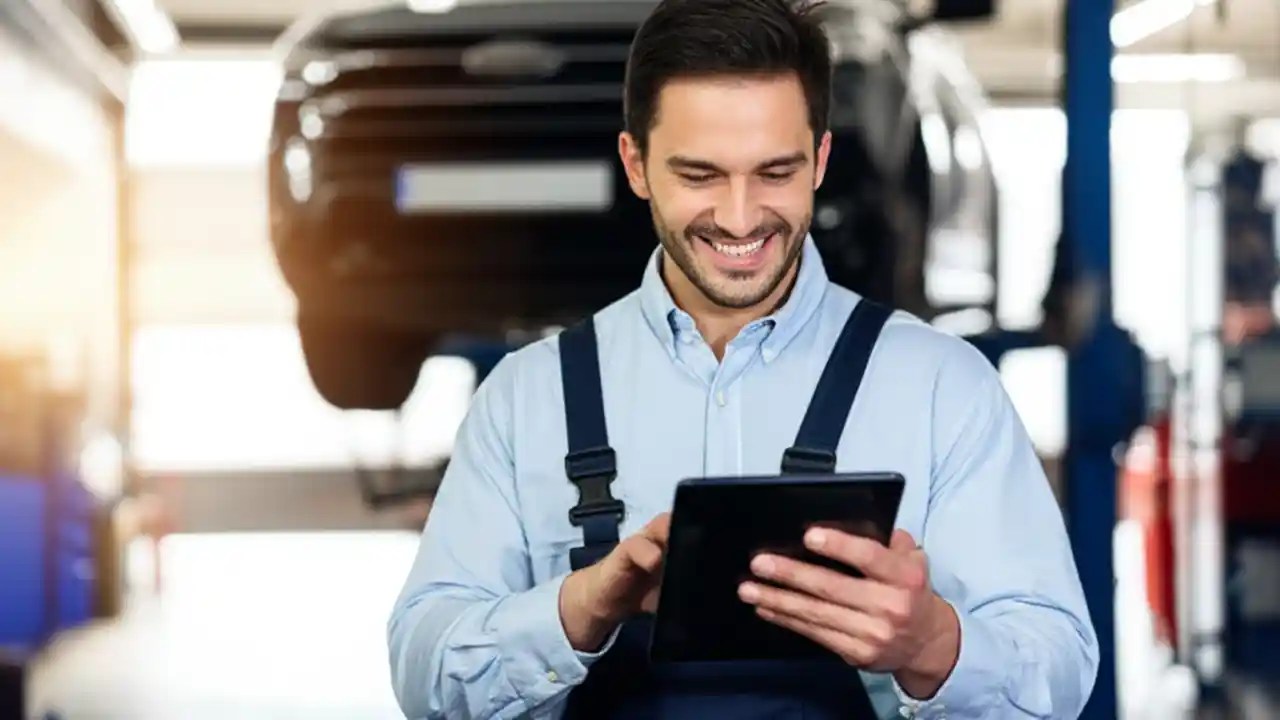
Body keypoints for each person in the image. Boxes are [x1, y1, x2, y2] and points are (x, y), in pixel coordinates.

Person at [387, 0, 1098, 718]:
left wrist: (932, 643)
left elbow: (1059, 668)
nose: (738, 216)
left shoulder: (942, 387)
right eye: (699, 175)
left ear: (820, 158)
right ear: (636, 164)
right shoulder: (526, 400)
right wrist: (575, 611)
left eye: (775, 172)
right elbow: (426, 679)